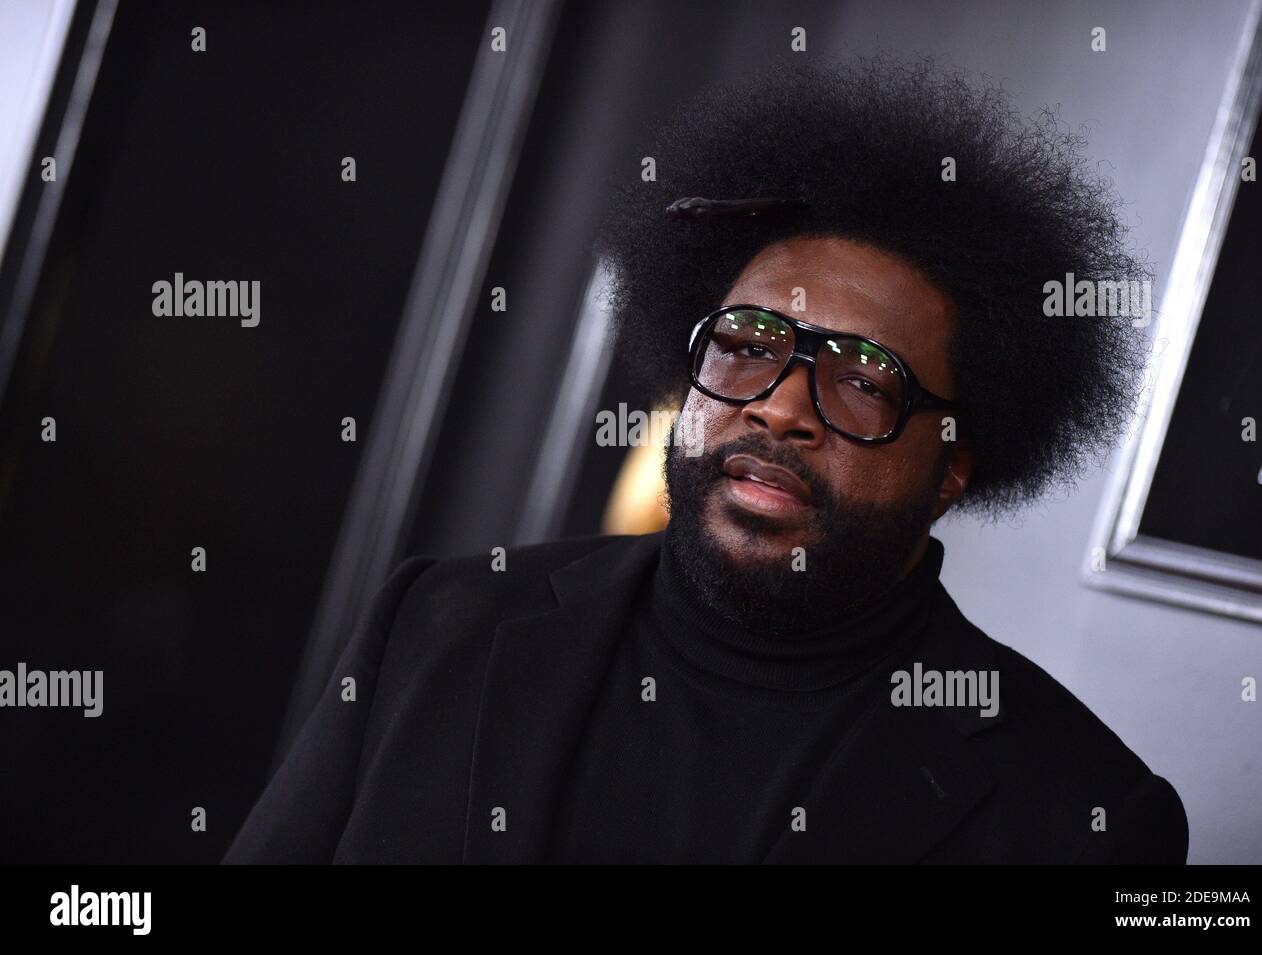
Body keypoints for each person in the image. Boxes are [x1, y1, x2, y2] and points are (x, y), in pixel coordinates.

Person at [223, 58, 1187, 864]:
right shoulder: (437, 621)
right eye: (750, 341)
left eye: (862, 379)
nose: (778, 404)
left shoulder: (1079, 811)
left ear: (954, 465)